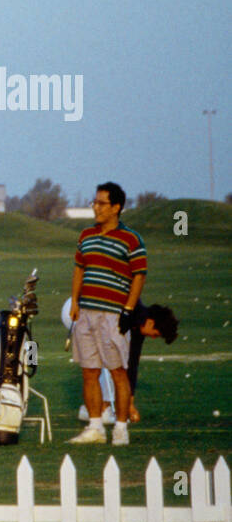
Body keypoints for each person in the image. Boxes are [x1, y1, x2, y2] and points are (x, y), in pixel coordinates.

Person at [67, 182, 147, 445]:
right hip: (86, 313)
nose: (96, 208)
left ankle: (121, 429)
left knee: (117, 371)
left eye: (101, 203)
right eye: (95, 202)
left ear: (116, 207)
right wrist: (75, 302)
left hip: (113, 315)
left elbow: (138, 276)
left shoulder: (131, 239)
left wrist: (128, 309)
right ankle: (95, 427)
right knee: (89, 371)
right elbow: (80, 269)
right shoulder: (86, 235)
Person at [76, 302, 178, 423]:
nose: (153, 337)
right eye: (155, 334)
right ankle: (101, 409)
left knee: (115, 362)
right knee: (114, 361)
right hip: (81, 310)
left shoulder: (139, 329)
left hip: (93, 315)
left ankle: (94, 408)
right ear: (150, 322)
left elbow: (132, 365)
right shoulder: (132, 313)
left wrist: (130, 404)